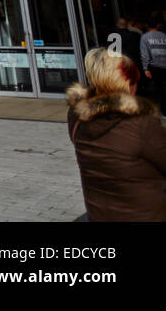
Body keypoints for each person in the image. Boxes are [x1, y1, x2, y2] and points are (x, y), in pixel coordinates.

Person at [66, 47, 166, 221]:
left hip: (99, 214)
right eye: (135, 82)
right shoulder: (141, 124)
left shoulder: (77, 115)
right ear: (127, 84)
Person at [141, 19, 166, 114]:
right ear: (157, 25)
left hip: (155, 67)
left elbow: (144, 54)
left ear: (147, 26)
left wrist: (145, 68)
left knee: (159, 89)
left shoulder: (144, 37)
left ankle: (164, 110)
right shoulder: (164, 35)